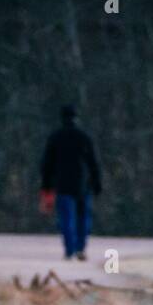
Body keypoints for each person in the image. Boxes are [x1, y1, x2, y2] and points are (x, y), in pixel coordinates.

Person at [39, 105, 102, 261]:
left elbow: (47, 164)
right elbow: (93, 162)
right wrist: (97, 183)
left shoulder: (55, 137)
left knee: (67, 219)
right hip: (82, 184)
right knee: (83, 218)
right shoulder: (84, 137)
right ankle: (81, 247)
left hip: (62, 184)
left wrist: (46, 185)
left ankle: (69, 250)